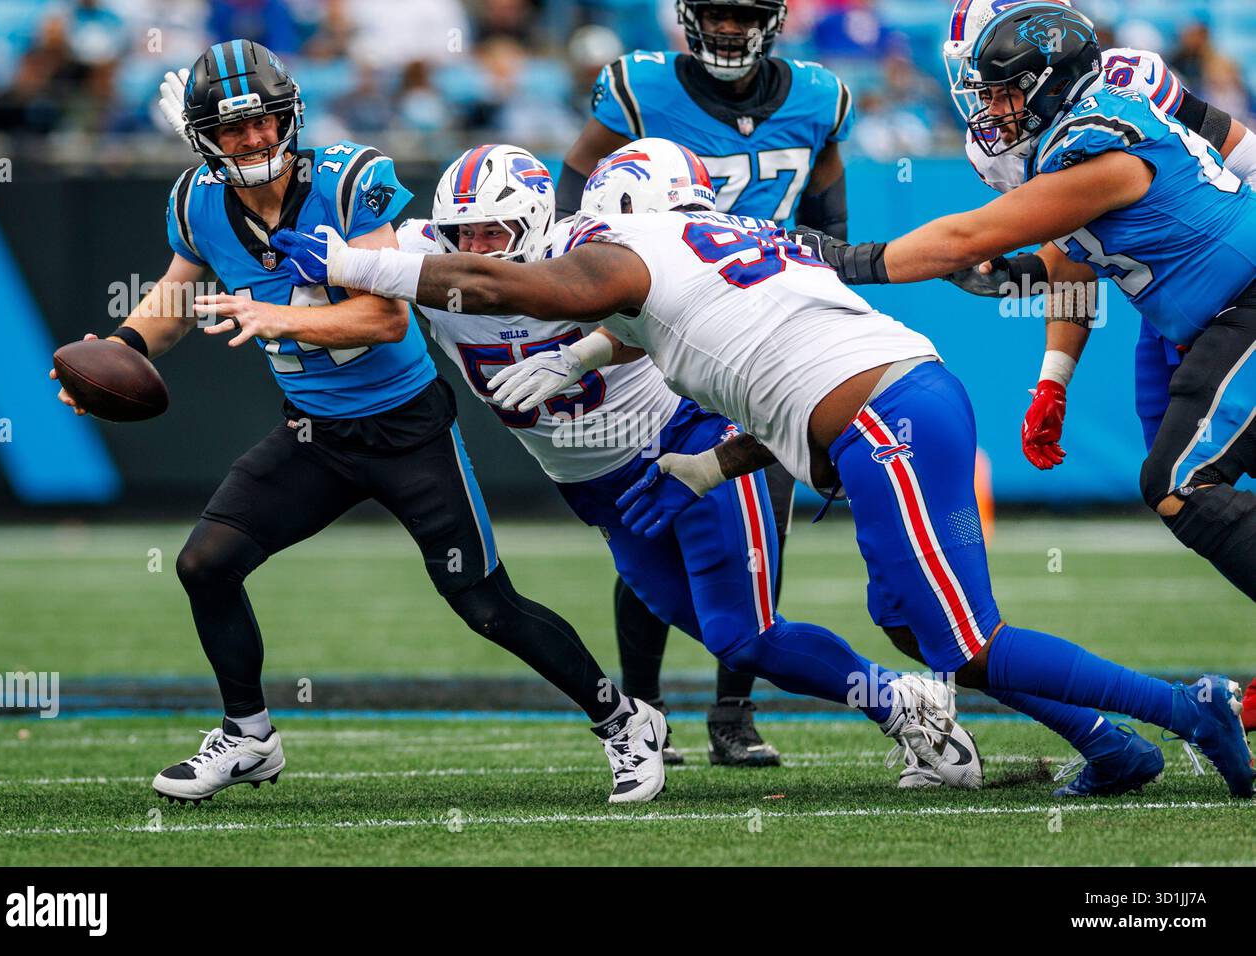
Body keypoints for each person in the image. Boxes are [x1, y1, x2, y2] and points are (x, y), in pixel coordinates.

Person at [272, 138, 1253, 798]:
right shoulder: (739, 241)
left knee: (964, 641)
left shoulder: (627, 247)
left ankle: (1186, 706)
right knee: (912, 621)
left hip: (883, 419)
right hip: (884, 409)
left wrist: (356, 263)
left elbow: (498, 281)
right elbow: (780, 383)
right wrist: (707, 469)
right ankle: (1109, 743)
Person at [54, 41, 668, 807]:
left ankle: (622, 721)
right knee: (204, 564)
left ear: (291, 118)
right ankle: (249, 736)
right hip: (314, 433)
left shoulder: (348, 181)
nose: (253, 141)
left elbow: (383, 317)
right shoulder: (196, 203)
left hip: (407, 428)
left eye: (265, 123)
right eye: (233, 129)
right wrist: (117, 351)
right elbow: (177, 297)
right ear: (203, 137)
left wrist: (272, 313)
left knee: (483, 603)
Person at [384, 139, 981, 787]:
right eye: (460, 234)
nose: (472, 250)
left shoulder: (584, 246)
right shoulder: (426, 254)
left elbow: (661, 308)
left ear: (533, 222)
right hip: (593, 483)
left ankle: (906, 711)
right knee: (704, 623)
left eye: (489, 232)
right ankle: (904, 697)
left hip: (686, 438)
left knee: (744, 635)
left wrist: (578, 354)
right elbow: (361, 256)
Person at [801, 3, 1256, 736]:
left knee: (1179, 484)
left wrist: (847, 259)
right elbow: (1077, 251)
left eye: (1006, 90)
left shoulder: (1095, 143)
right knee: (1182, 484)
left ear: (1052, 83)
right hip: (1221, 312)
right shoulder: (1077, 135)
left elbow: (966, 234)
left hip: (1243, 303)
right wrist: (1019, 285)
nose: (993, 107)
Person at [555, 0, 854, 766]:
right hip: (661, 331)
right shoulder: (641, 88)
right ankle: (646, 706)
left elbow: (830, 215)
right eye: (714, 12)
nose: (727, 27)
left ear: (773, 20)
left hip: (766, 337)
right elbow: (574, 186)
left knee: (761, 531)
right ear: (688, 16)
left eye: (742, 13)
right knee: (656, 518)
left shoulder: (820, 97)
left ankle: (733, 713)